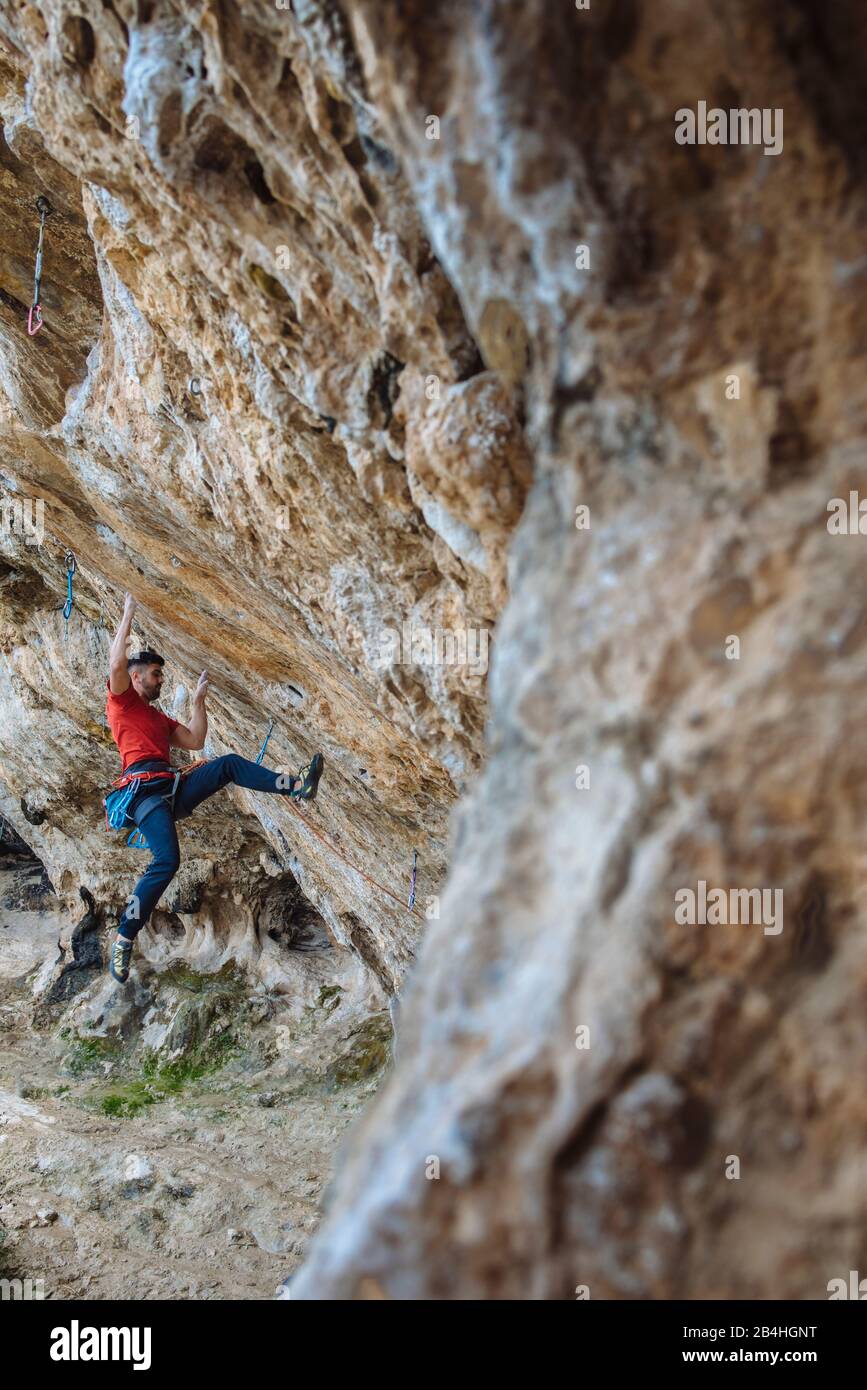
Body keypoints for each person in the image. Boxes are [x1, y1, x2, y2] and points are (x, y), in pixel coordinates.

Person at [105, 593, 323, 983]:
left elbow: (194, 741)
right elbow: (117, 661)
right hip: (144, 794)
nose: (160, 680)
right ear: (137, 677)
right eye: (156, 674)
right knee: (166, 861)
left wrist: (200, 701)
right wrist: (127, 614)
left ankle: (297, 786)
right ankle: (124, 938)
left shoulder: (156, 717)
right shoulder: (122, 702)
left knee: (227, 765)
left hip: (170, 787)